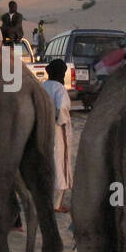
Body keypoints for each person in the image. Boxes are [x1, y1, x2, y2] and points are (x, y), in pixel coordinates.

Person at [42, 59, 73, 212]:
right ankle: (56, 205)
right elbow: (61, 108)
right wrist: (60, 121)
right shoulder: (59, 88)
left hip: (41, 129)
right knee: (59, 164)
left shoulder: (43, 86)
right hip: (57, 131)